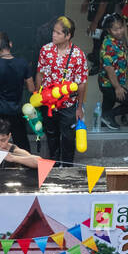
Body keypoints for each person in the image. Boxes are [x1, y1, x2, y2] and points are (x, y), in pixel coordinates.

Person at [35, 16, 88, 163]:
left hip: (68, 105)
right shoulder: (45, 50)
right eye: (53, 31)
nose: (54, 35)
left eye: (58, 33)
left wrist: (79, 107)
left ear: (68, 35)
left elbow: (82, 83)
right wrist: (37, 95)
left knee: (68, 138)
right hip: (49, 104)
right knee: (51, 135)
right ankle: (53, 163)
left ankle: (66, 168)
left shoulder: (78, 55)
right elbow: (40, 73)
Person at [95, 15, 128, 127]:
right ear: (108, 30)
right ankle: (107, 116)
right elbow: (109, 69)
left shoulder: (117, 40)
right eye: (115, 29)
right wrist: (118, 88)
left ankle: (103, 124)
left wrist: (125, 29)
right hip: (109, 84)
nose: (119, 31)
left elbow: (126, 41)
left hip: (108, 82)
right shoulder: (109, 45)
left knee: (107, 104)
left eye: (121, 27)